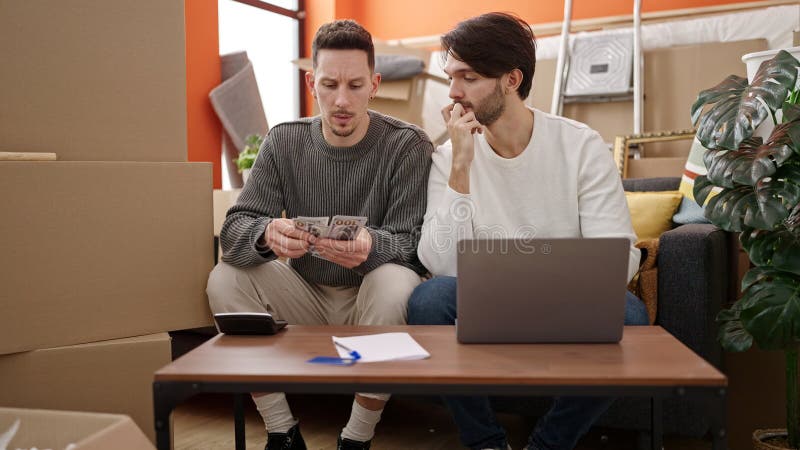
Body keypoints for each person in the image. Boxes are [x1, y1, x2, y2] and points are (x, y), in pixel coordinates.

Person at [407, 12, 649, 450]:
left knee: (630, 315)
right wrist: (461, 165)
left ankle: (548, 445)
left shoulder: (580, 145)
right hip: (485, 298)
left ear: (511, 80)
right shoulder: (448, 157)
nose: (454, 92)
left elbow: (620, 256)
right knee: (428, 300)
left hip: (566, 298)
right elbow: (437, 262)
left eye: (469, 77)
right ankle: (485, 443)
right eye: (451, 77)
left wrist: (559, 281)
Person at [206, 19, 433, 450]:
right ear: (312, 83)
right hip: (304, 294)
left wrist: (372, 246)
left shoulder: (407, 145)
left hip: (371, 298)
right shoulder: (283, 142)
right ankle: (282, 431)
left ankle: (356, 437)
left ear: (374, 85)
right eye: (329, 85)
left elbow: (415, 246)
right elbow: (233, 230)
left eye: (355, 85)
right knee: (224, 277)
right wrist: (266, 234)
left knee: (394, 279)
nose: (342, 100)